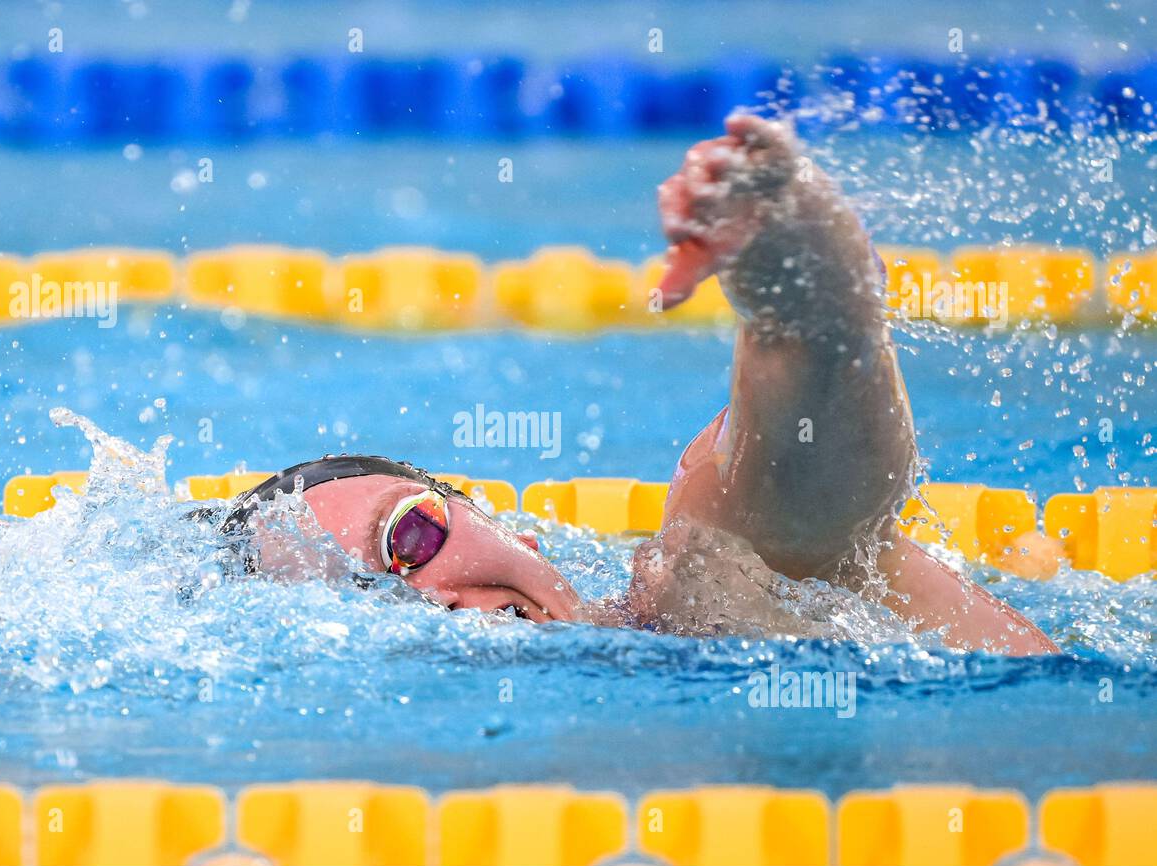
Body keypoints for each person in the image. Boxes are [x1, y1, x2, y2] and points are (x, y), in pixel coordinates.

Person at [221, 113, 1058, 656]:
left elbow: (814, 457)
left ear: (512, 530)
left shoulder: (709, 579)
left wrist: (796, 279)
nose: (418, 598)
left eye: (405, 540)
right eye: (356, 603)